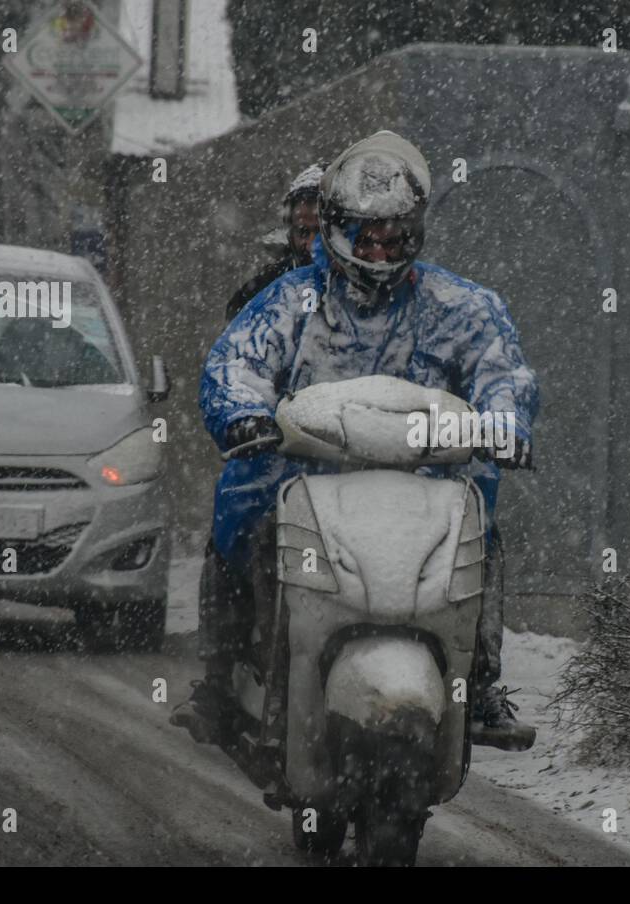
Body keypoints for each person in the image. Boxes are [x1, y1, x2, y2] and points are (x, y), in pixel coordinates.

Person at [173, 130, 539, 752]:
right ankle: (228, 672)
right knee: (245, 509)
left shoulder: (461, 305)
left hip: (427, 484)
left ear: (414, 230)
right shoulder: (291, 301)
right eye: (367, 235)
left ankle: (476, 681)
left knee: (482, 532)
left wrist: (504, 421)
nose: (380, 248)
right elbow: (238, 361)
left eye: (393, 235)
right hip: (303, 478)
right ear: (337, 229)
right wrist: (243, 414)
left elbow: (501, 370)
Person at [222, 162, 325, 324]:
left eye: (322, 232)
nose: (312, 244)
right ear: (291, 233)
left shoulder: (365, 285)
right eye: (303, 232)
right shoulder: (265, 289)